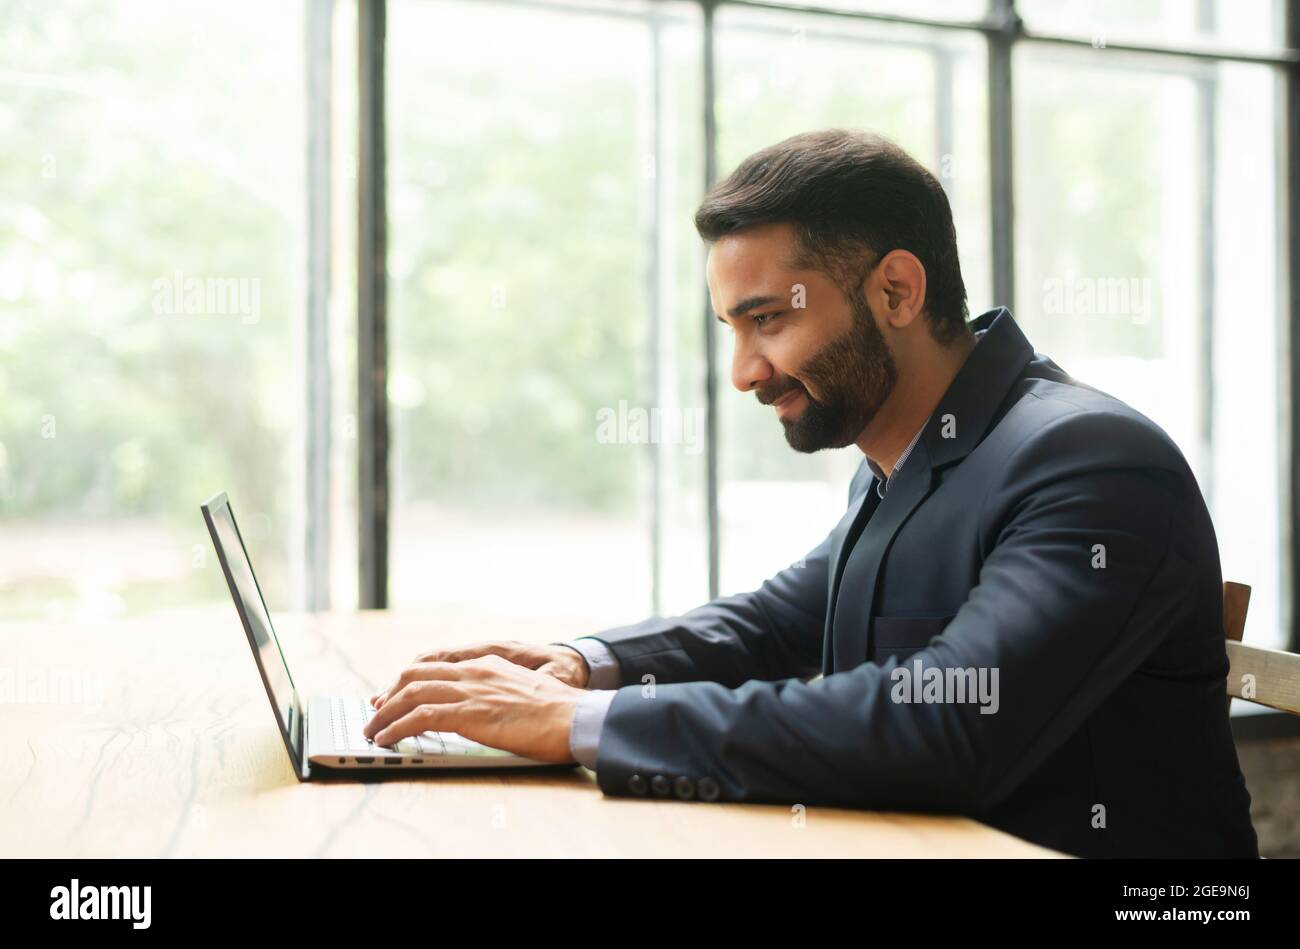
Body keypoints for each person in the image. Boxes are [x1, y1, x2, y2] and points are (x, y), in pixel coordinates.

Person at [363, 128, 1258, 858]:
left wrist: (579, 721)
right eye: (732, 329)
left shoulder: (1089, 462)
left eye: (770, 319)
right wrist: (577, 663)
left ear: (897, 290)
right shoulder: (914, 456)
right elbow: (772, 624)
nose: (745, 371)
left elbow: (946, 725)